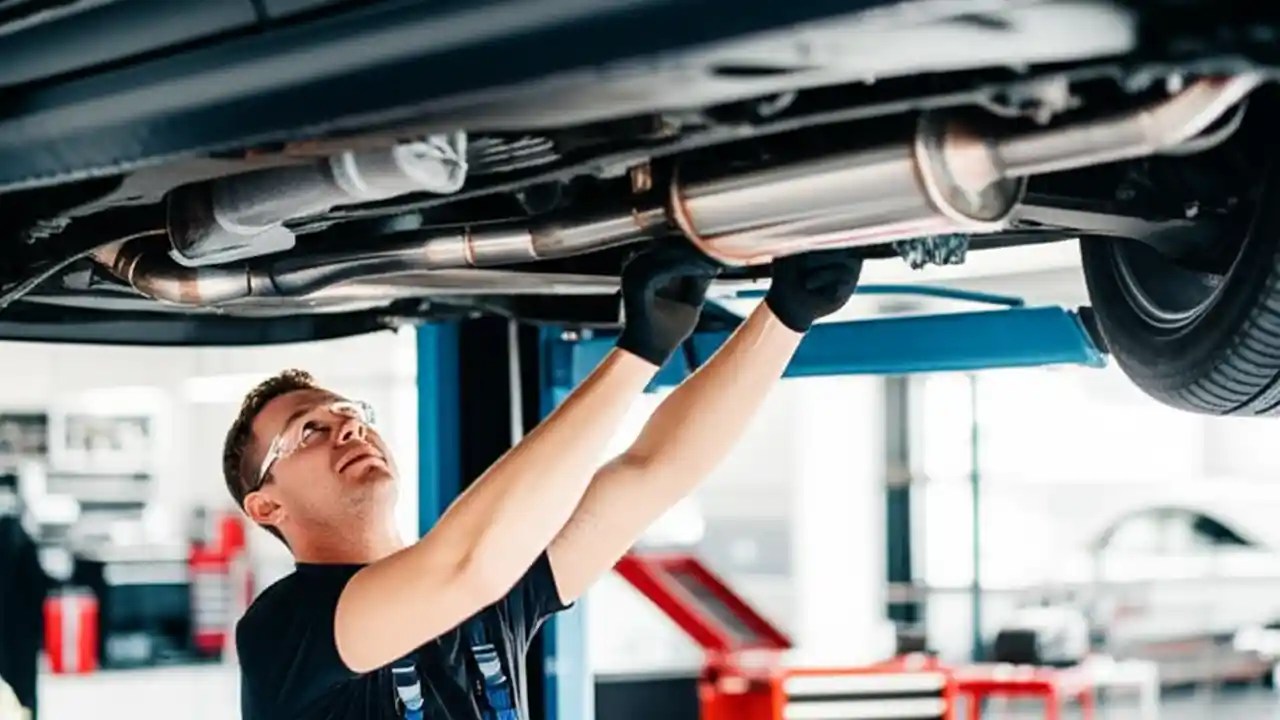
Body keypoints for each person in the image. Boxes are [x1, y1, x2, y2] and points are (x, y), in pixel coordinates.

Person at [223, 241, 862, 719]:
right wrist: (637, 353)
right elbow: (462, 565)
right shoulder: (285, 629)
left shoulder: (488, 585)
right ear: (266, 506)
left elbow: (650, 474)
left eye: (352, 416)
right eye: (308, 431)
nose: (349, 430)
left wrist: (786, 316)